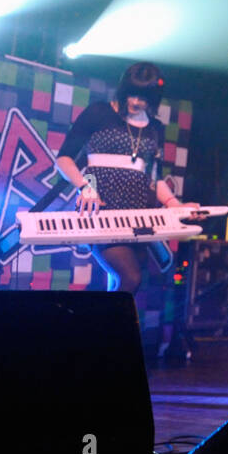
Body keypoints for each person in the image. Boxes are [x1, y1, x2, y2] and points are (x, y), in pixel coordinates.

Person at [55, 61, 196, 294]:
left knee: (122, 282)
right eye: (131, 95)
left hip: (136, 216)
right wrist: (85, 187)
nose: (135, 102)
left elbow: (155, 177)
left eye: (143, 98)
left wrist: (175, 205)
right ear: (123, 90)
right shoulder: (98, 112)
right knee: (130, 277)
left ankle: (111, 329)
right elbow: (63, 160)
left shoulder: (155, 128)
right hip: (100, 211)